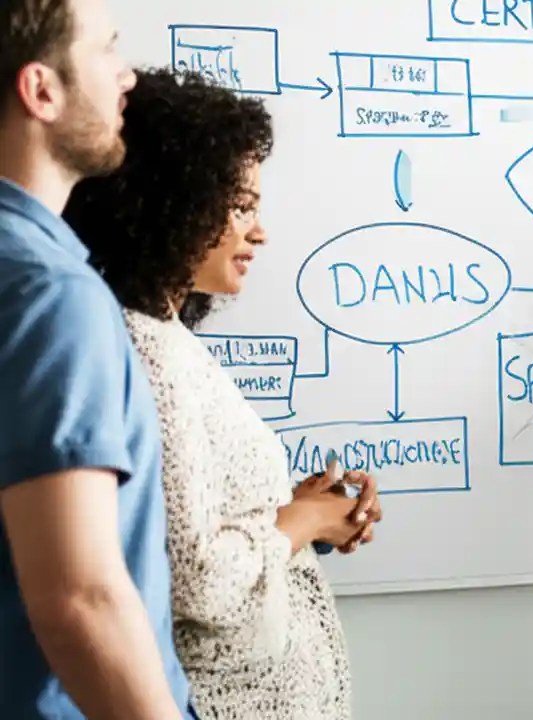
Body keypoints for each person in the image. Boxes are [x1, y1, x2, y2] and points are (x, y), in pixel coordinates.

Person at [62, 66, 381, 720]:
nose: (256, 231)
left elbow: (194, 520)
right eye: (237, 206)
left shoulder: (165, 334)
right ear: (172, 200)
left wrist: (296, 510)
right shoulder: (145, 350)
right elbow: (199, 580)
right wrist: (302, 521)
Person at [0, 1, 196, 718]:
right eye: (106, 51)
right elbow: (78, 599)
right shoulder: (47, 290)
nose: (127, 77)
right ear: (41, 90)